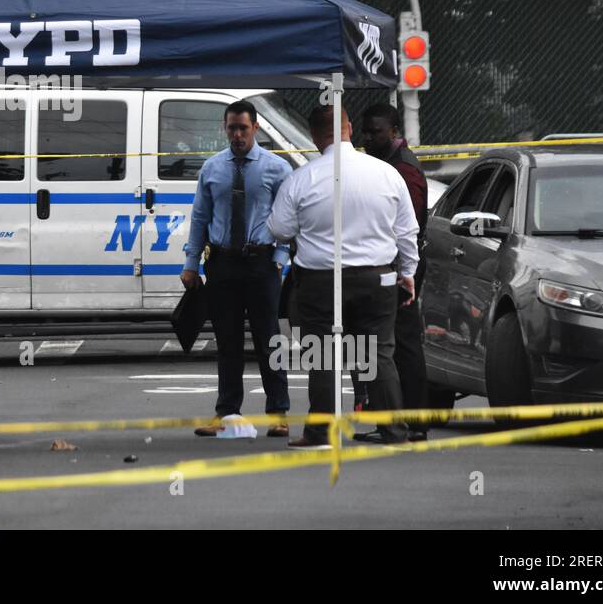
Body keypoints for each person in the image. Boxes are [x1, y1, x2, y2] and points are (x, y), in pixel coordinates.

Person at [268, 103, 418, 449]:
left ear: (315, 135)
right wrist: (407, 272)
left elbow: (279, 229)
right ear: (349, 128)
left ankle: (320, 432)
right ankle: (395, 432)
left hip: (321, 282)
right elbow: (406, 231)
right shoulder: (385, 173)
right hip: (377, 278)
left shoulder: (301, 178)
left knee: (323, 353)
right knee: (380, 354)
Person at [181, 99, 293, 437]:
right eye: (232, 128)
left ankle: (278, 412)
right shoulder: (212, 169)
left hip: (261, 264)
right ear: (224, 128)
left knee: (267, 338)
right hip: (222, 264)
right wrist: (191, 263)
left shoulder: (277, 168)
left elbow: (287, 218)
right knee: (227, 342)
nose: (238, 134)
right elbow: (200, 217)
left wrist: (279, 260)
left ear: (256, 128)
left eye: (243, 128)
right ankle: (226, 412)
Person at [361, 102, 430, 442]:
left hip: (403, 265)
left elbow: (410, 227)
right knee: (387, 344)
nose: (368, 138)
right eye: (365, 131)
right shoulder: (387, 164)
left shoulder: (405, 170)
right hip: (392, 264)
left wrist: (406, 272)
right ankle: (392, 417)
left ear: (394, 132)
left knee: (402, 344)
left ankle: (414, 421)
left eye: (376, 132)